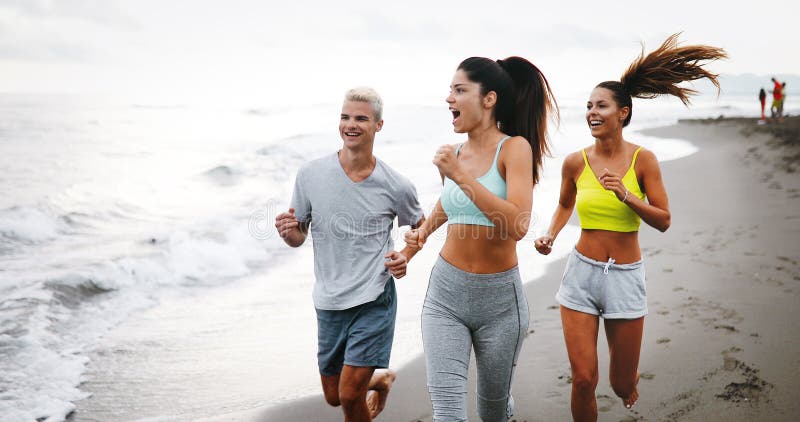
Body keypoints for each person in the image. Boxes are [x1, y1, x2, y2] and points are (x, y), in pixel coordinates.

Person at [534, 33, 726, 421]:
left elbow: (664, 221)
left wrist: (626, 195)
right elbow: (565, 203)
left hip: (624, 278)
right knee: (584, 379)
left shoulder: (644, 160)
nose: (592, 112)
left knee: (620, 384)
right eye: (588, 106)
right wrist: (551, 234)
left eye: (601, 105)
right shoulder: (575, 162)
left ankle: (629, 381)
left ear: (623, 112)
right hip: (581, 275)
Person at [404, 56, 558, 421]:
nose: (449, 99)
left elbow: (517, 224)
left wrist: (460, 176)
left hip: (500, 304)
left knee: (493, 412)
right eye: (450, 90)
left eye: (459, 90)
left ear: (488, 99)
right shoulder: (455, 153)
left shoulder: (515, 148)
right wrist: (418, 239)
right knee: (447, 413)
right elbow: (451, 204)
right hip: (446, 294)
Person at [275, 86, 425, 421]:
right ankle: (381, 379)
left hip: (374, 297)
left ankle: (364, 386)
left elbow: (420, 226)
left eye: (360, 118)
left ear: (378, 125)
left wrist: (405, 255)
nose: (350, 124)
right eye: (345, 117)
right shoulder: (311, 175)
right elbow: (299, 236)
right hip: (328, 300)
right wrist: (289, 233)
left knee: (348, 394)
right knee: (333, 395)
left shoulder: (396, 185)